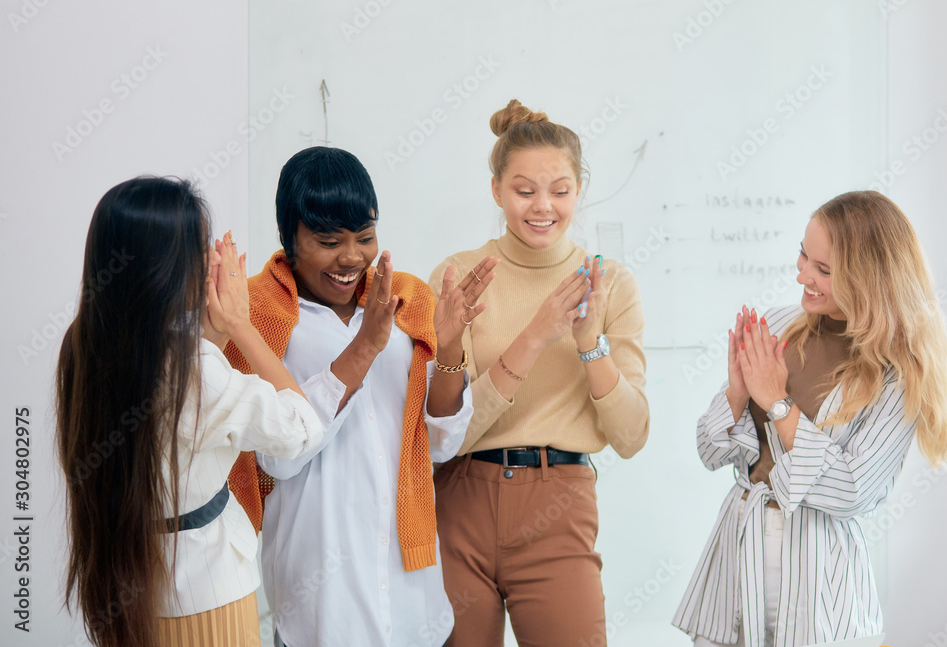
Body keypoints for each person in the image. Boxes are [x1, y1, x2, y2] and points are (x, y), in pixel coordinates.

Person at [221, 146, 496, 647]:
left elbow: (440, 443)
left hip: (414, 605)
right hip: (322, 611)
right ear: (288, 237)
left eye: (365, 237)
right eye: (329, 241)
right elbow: (275, 459)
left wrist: (450, 345)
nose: (351, 257)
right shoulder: (254, 317)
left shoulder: (407, 303)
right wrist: (365, 347)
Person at [673, 190, 947, 646]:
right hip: (738, 549)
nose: (802, 275)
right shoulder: (778, 327)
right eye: (803, 256)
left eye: (823, 269)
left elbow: (851, 490)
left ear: (868, 279)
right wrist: (738, 393)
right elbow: (710, 453)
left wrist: (776, 403)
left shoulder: (897, 374)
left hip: (819, 572)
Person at [56, 177, 329, 647]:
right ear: (167, 262)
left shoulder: (84, 341)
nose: (215, 259)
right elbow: (302, 428)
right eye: (202, 246)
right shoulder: (191, 367)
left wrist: (212, 336)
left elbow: (183, 425)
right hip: (208, 594)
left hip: (133, 582)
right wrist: (241, 327)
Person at [429, 99, 650, 646]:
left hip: (559, 505)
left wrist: (589, 344)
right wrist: (534, 337)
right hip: (461, 502)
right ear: (496, 190)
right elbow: (444, 437)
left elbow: (630, 436)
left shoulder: (610, 284)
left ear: (580, 190)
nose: (543, 207)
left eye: (560, 190)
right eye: (524, 191)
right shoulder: (459, 276)